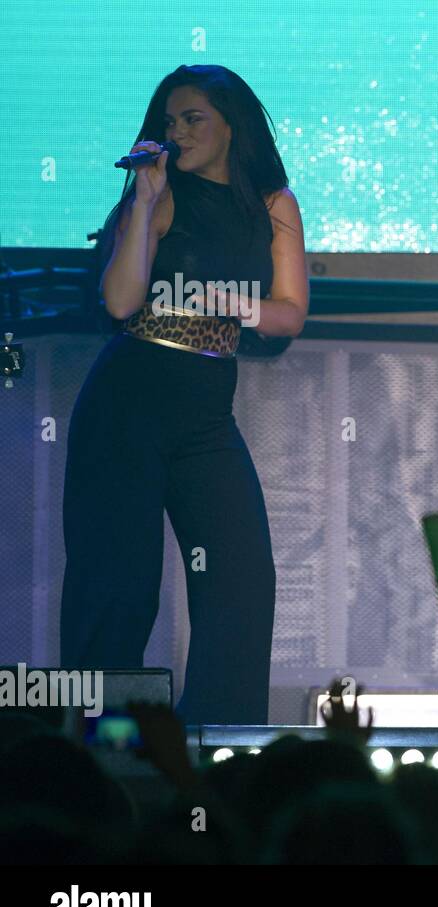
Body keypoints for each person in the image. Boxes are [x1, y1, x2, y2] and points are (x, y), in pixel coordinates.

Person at [60, 65, 308, 724]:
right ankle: (95, 752)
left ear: (232, 125)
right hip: (127, 404)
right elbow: (118, 300)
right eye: (169, 121)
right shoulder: (161, 196)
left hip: (204, 413)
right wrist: (140, 201)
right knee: (119, 588)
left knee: (241, 580)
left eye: (192, 118)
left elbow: (288, 313)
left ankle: (214, 749)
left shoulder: (273, 202)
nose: (177, 132)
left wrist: (237, 304)